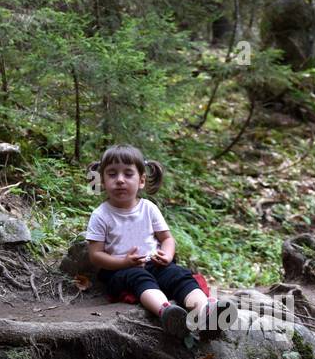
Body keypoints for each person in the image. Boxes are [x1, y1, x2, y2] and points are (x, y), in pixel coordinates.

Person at [83, 144, 237, 338]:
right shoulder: (101, 214)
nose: (120, 180)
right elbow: (95, 255)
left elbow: (167, 239)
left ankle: (205, 312)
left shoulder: (148, 208)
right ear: (103, 181)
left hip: (154, 264)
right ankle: (167, 313)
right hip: (120, 272)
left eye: (128, 174)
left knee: (179, 275)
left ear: (141, 180)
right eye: (112, 174)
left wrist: (167, 254)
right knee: (140, 278)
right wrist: (123, 262)